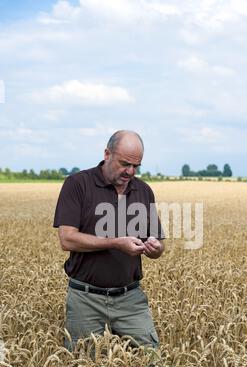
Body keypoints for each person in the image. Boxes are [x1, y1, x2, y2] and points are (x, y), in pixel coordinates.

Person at [53, 130, 164, 352]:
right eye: (125, 164)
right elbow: (67, 239)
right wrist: (114, 243)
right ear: (107, 154)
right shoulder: (78, 184)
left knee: (151, 363)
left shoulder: (143, 191)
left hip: (130, 298)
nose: (130, 171)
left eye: (136, 166)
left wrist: (155, 248)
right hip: (86, 298)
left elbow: (159, 244)